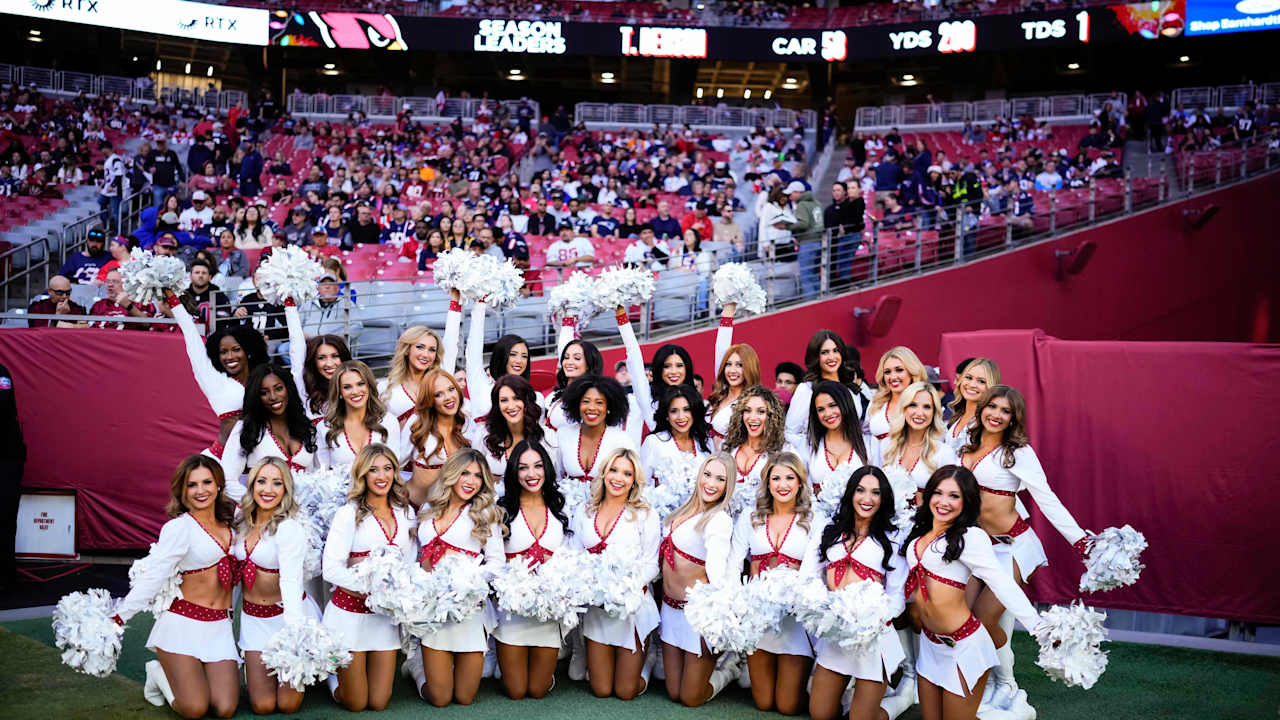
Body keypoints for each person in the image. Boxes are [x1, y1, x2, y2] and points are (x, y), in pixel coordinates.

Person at [959, 385, 1091, 712]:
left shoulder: (1018, 453)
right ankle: (986, 680)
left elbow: (1047, 499)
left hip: (1011, 546)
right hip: (975, 546)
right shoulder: (964, 442)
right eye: (992, 407)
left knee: (984, 619)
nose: (996, 415)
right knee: (962, 619)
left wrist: (1081, 541)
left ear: (1013, 418)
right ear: (982, 408)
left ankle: (1005, 683)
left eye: (1005, 411)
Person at [899, 465, 1044, 720]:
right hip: (930, 646)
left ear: (966, 501)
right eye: (938, 493)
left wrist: (1038, 626)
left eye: (954, 496)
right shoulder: (918, 531)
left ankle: (1017, 714)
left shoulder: (970, 537)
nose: (944, 502)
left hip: (963, 648)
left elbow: (1001, 582)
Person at [111, 455, 240, 719]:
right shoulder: (179, 528)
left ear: (218, 485)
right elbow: (154, 577)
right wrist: (119, 617)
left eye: (207, 482)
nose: (200, 490)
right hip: (182, 626)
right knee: (195, 708)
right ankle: (157, 673)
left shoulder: (232, 523)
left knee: (225, 708)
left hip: (220, 627)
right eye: (192, 485)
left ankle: (193, 674)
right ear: (182, 491)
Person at [804, 465, 906, 720]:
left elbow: (897, 596)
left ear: (884, 498)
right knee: (820, 714)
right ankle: (852, 698)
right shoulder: (829, 530)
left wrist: (873, 620)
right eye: (860, 490)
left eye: (875, 492)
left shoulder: (893, 538)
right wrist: (822, 607)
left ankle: (900, 701)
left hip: (872, 638)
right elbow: (808, 577)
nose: (867, 498)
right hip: (837, 635)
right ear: (851, 493)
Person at [407, 450, 505, 707]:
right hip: (434, 609)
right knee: (440, 698)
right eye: (465, 473)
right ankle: (418, 670)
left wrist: (467, 582)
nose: (471, 481)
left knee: (464, 697)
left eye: (478, 476)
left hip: (467, 609)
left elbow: (497, 563)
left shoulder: (485, 513)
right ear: (451, 474)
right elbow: (417, 555)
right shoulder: (429, 507)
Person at [322, 444, 416, 712]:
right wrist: (372, 586)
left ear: (395, 472)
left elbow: (409, 562)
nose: (381, 476)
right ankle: (332, 677)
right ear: (362, 474)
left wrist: (401, 592)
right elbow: (330, 569)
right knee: (356, 703)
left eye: (387, 468)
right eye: (373, 470)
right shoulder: (348, 513)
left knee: (378, 702)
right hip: (349, 616)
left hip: (383, 620)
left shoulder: (405, 513)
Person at [566, 448, 660, 700]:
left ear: (635, 480)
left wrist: (624, 589)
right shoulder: (585, 510)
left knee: (625, 691)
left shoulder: (645, 513)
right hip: (598, 609)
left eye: (627, 474)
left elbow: (652, 564)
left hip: (631, 607)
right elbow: (575, 554)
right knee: (601, 689)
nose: (618, 478)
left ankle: (647, 662)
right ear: (604, 473)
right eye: (614, 470)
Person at [233, 458, 323, 715]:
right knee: (262, 706)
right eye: (261, 481)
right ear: (252, 485)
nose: (268, 490)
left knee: (287, 705)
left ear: (286, 489)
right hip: (254, 621)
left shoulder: (289, 528)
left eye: (277, 483)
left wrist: (295, 636)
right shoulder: (240, 523)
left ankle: (316, 672)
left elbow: (291, 581)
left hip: (286, 619)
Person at [732, 452, 817, 712]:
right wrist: (737, 602)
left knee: (787, 706)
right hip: (759, 618)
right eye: (776, 478)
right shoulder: (751, 516)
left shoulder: (814, 519)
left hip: (794, 619)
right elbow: (734, 562)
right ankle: (731, 668)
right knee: (764, 703)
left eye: (790, 478)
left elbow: (813, 571)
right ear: (767, 483)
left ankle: (814, 684)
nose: (783, 484)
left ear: (800, 482)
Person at [659, 454, 740, 707]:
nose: (711, 483)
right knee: (674, 693)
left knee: (691, 698)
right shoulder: (684, 509)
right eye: (707, 475)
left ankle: (728, 670)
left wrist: (722, 612)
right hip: (669, 608)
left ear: (728, 485)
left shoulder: (720, 520)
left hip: (695, 616)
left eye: (720, 479)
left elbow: (717, 570)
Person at [494, 440, 572, 699]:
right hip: (512, 613)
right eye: (523, 467)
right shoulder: (502, 510)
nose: (532, 474)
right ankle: (501, 663)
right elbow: (494, 560)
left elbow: (571, 558)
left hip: (547, 612)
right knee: (516, 692)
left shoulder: (561, 507)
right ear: (514, 472)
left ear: (546, 468)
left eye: (538, 466)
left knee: (538, 691)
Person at [218, 364, 319, 499]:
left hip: (304, 510)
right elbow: (227, 479)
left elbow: (314, 476)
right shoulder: (246, 428)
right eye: (263, 393)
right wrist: (257, 503)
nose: (273, 397)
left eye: (278, 388)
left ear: (288, 388)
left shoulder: (306, 427)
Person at [785, 330, 874, 449]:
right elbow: (790, 432)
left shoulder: (851, 384)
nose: (832, 357)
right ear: (816, 356)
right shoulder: (807, 389)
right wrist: (815, 450)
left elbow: (864, 427)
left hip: (853, 454)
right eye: (825, 352)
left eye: (836, 350)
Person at [404, 368, 473, 507]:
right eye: (438, 394)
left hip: (448, 509)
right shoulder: (417, 424)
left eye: (451, 389)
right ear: (429, 400)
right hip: (411, 506)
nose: (448, 397)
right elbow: (396, 461)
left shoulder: (466, 423)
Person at [554, 376, 636, 492]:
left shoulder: (622, 440)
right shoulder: (563, 435)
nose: (592, 407)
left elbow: (633, 482)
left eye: (599, 403)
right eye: (586, 401)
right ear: (577, 404)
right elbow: (556, 478)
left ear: (609, 407)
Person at [883, 382, 959, 507]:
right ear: (904, 408)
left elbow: (952, 499)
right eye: (913, 405)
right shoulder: (889, 445)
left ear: (934, 412)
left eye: (927, 407)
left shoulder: (944, 453)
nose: (919, 413)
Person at [316, 361, 400, 469]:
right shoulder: (325, 427)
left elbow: (394, 467)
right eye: (347, 387)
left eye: (360, 384)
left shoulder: (388, 421)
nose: (355, 391)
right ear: (339, 392)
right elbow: (322, 472)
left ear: (369, 386)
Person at [378, 318, 457, 429]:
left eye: (432, 350)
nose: (426, 355)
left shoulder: (439, 385)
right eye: (420, 347)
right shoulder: (385, 387)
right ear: (407, 349)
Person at [805, 380, 879, 494]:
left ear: (845, 404)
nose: (828, 413)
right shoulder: (808, 445)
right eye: (821, 409)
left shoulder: (869, 443)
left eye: (833, 405)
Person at [475, 375, 554, 479]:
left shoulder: (547, 437)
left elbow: (555, 478)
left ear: (526, 401)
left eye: (517, 398)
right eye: (504, 400)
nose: (511, 406)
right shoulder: (484, 436)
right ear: (497, 404)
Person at [722, 386, 793, 496]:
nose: (753, 417)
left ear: (771, 416)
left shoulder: (784, 451)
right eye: (747, 410)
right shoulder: (729, 447)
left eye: (761, 411)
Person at [706, 305, 757, 448]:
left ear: (749, 369)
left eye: (739, 365)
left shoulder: (752, 403)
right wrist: (727, 314)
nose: (732, 370)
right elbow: (721, 350)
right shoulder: (721, 394)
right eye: (728, 364)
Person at [639, 385, 712, 481]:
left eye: (687, 409)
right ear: (666, 415)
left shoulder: (705, 441)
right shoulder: (653, 442)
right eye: (674, 411)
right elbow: (640, 484)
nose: (681, 417)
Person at [865, 346, 930, 451]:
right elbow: (866, 435)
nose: (893, 377)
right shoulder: (877, 402)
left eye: (899, 370)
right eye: (887, 372)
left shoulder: (924, 402)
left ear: (912, 372)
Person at [0, 361, 23, 593]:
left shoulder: (1, 373)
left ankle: (5, 576)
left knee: (4, 517)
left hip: (6, 458)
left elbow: (3, 408)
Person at [945, 358, 1000, 453]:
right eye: (969, 377)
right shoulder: (958, 414)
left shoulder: (991, 421)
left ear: (991, 386)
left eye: (981, 381)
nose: (972, 384)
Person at [824, 182, 865, 288]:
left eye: (838, 190)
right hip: (833, 242)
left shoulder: (855, 203)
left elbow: (858, 222)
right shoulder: (829, 209)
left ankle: (844, 287)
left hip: (846, 238)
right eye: (834, 190)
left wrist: (844, 228)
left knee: (843, 265)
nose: (836, 193)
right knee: (836, 266)